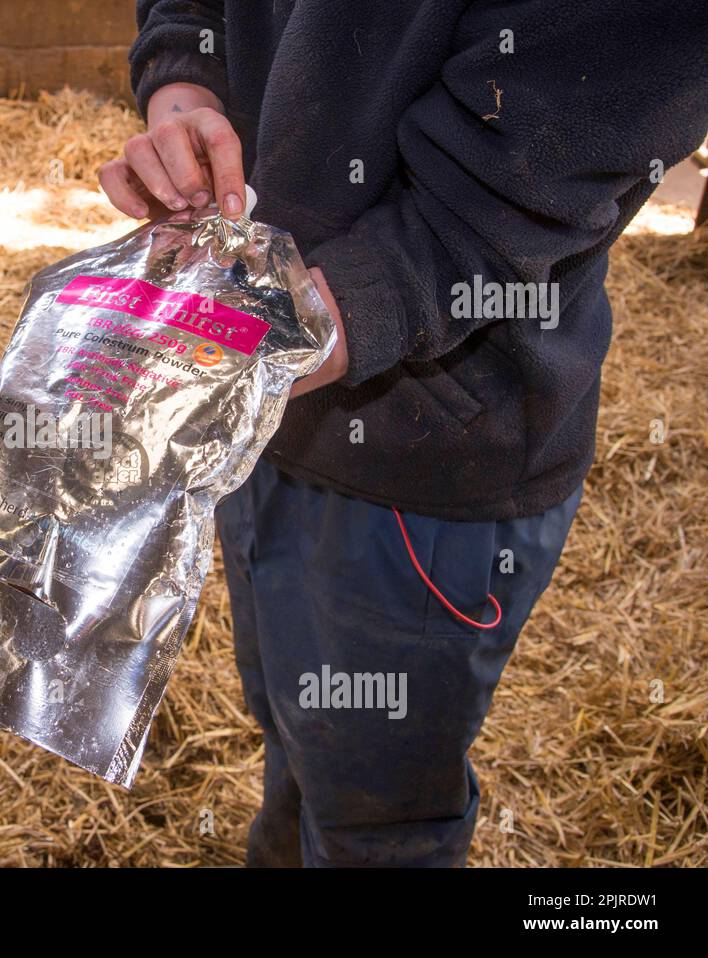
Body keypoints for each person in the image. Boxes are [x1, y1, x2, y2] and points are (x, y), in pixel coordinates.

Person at [100, 0, 708, 866]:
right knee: (291, 721)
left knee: (378, 815)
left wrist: (249, 352)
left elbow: (506, 194)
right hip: (267, 408)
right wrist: (186, 92)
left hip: (424, 452)